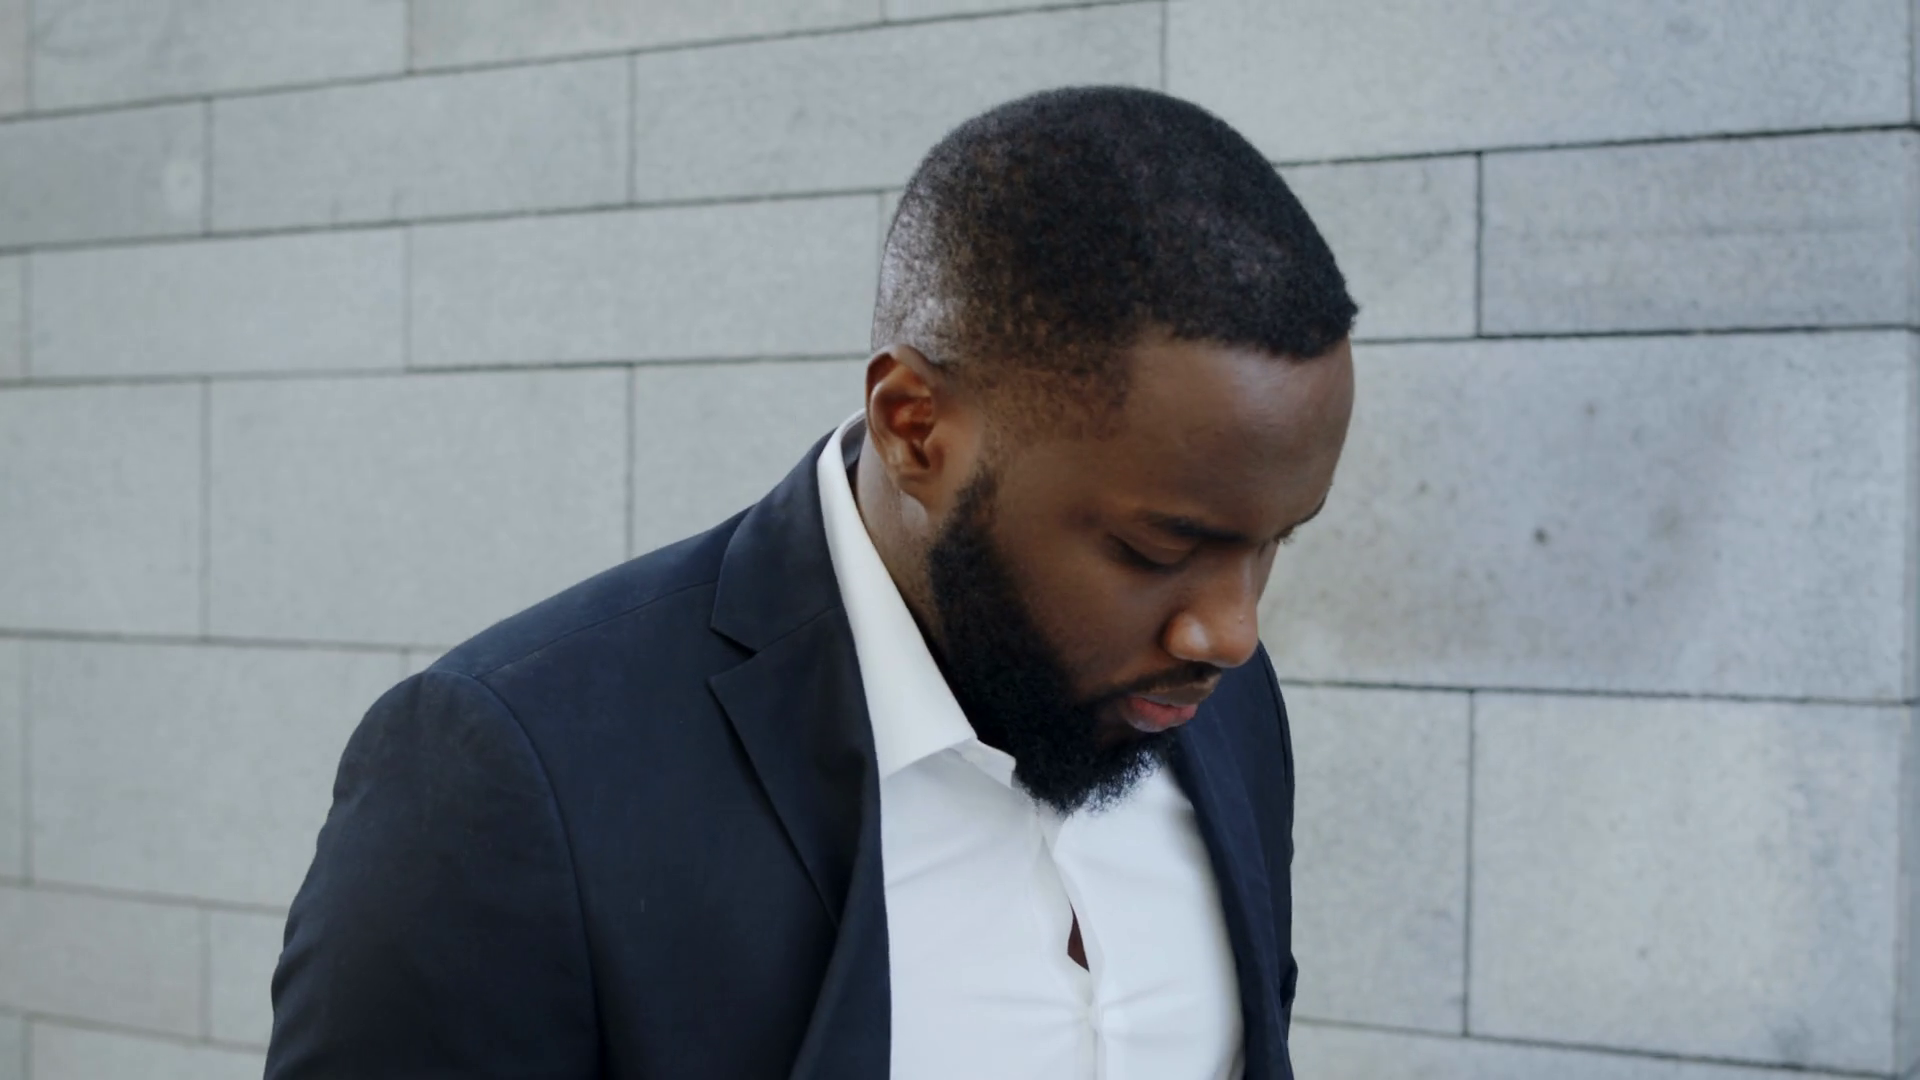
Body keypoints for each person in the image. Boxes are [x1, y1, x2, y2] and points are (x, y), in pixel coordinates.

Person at [265, 85, 1356, 1080]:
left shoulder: (1217, 709)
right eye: (1156, 550)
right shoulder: (509, 778)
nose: (1230, 629)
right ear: (916, 428)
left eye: (1274, 545)